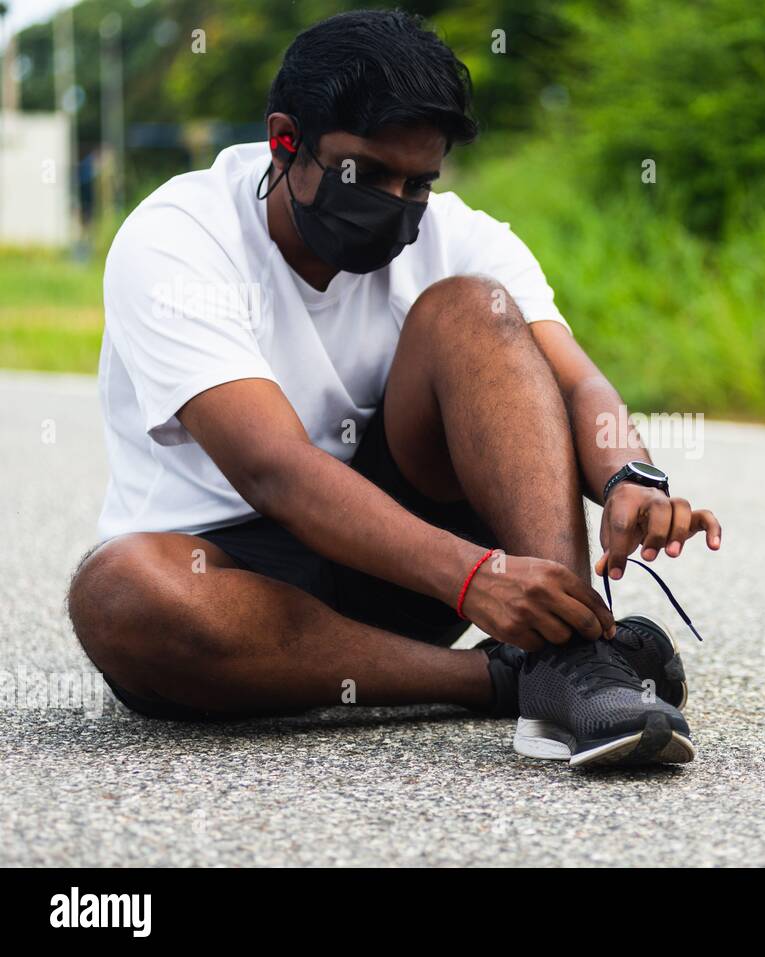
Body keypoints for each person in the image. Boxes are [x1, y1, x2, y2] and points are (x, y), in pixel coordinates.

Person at [66, 10, 721, 768]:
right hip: (237, 581)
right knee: (119, 593)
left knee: (475, 310)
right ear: (286, 140)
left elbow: (577, 379)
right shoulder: (179, 238)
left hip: (403, 567)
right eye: (366, 173)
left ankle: (572, 660)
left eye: (419, 181)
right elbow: (271, 467)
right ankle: (506, 675)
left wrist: (627, 473)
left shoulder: (455, 235)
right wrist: (474, 577)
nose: (396, 201)